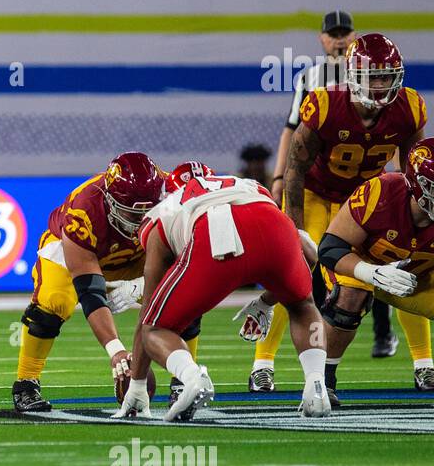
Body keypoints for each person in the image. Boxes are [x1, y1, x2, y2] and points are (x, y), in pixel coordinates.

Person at [255, 31, 434, 406]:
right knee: (293, 272)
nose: (381, 84)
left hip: (369, 200)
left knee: (408, 269)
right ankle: (263, 364)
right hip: (317, 195)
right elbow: (295, 166)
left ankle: (424, 364)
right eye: (374, 75)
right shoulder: (325, 105)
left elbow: (412, 171)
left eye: (388, 75)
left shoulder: (409, 108)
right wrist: (293, 224)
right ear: (354, 75)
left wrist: (412, 218)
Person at [116, 171, 331, 421]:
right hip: (274, 223)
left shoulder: (161, 214)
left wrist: (138, 385)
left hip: (217, 232)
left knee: (153, 329)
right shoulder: (248, 184)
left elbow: (149, 310)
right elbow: (310, 255)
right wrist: (266, 301)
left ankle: (193, 378)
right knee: (302, 305)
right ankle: (317, 385)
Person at [316, 137, 434, 405]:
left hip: (417, 277)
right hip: (361, 267)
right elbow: (331, 248)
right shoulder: (380, 193)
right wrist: (371, 273)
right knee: (348, 300)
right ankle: (323, 381)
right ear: (417, 184)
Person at [10, 152, 174, 413]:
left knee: (181, 297)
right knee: (54, 304)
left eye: (148, 211)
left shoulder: (174, 191)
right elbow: (90, 292)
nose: (140, 220)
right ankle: (26, 383)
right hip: (76, 251)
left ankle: (182, 382)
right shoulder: (84, 210)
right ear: (110, 201)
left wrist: (142, 285)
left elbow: (188, 261)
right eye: (131, 213)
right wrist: (117, 351)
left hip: (139, 254)